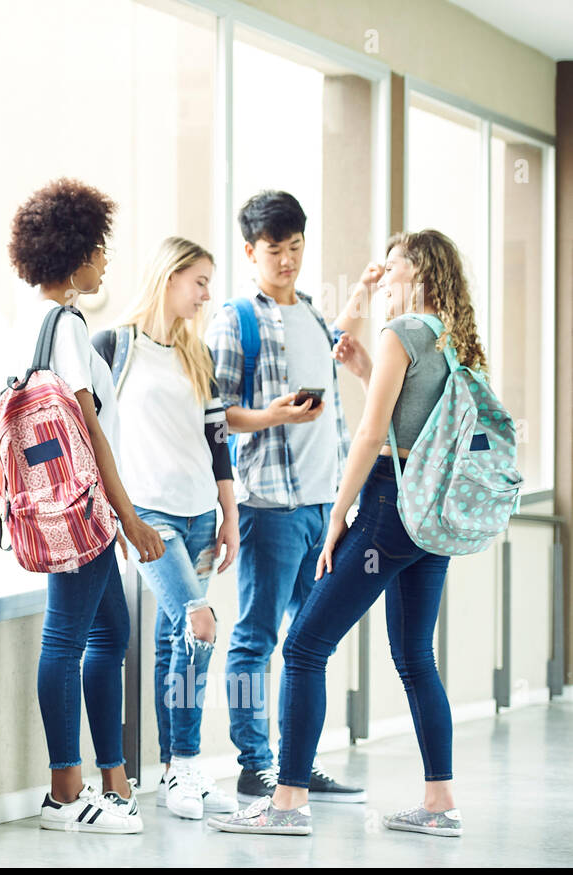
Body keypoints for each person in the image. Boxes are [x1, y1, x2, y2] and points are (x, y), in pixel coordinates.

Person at [209, 229, 486, 837]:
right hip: (430, 518)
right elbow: (408, 423)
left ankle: (287, 802)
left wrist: (339, 516)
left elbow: (368, 437)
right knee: (416, 657)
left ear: (418, 274)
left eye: (392, 268)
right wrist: (365, 371)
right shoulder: (452, 339)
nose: (383, 278)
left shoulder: (401, 332)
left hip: (389, 509)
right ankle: (440, 803)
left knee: (305, 646)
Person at [7, 178, 166, 834]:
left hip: (60, 504)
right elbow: (91, 429)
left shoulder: (32, 323)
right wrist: (129, 518)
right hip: (83, 507)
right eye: (99, 248)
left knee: (109, 634)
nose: (106, 261)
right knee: (69, 636)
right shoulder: (67, 326)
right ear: (72, 251)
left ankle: (112, 777)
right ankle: (66, 793)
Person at [205, 190, 370, 804]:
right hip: (267, 506)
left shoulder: (314, 315)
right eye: (275, 250)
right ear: (250, 251)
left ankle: (298, 763)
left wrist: (343, 494)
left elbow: (333, 416)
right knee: (255, 639)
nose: (288, 261)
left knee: (309, 641)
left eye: (297, 248)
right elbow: (214, 415)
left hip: (322, 507)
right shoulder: (234, 318)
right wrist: (270, 417)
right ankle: (256, 763)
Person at [96, 237, 240, 821]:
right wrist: (118, 515)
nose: (206, 294)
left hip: (200, 512)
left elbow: (218, 443)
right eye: (199, 281)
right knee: (199, 624)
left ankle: (173, 771)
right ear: (170, 276)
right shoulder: (114, 345)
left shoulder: (198, 353)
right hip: (149, 515)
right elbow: (93, 433)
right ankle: (185, 761)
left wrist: (230, 515)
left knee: (174, 644)